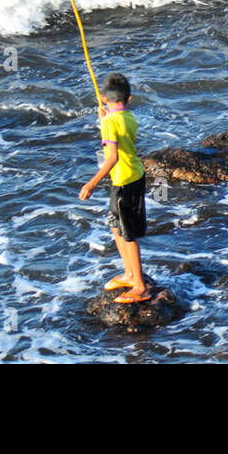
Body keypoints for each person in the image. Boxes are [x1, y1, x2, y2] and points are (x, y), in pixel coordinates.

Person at [79, 72, 149, 303]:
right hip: (134, 175)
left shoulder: (109, 121)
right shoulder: (128, 116)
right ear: (129, 98)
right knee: (116, 226)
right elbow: (118, 126)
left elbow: (112, 158)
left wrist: (92, 183)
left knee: (127, 234)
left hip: (124, 180)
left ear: (103, 98)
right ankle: (129, 274)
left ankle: (139, 285)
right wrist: (105, 118)